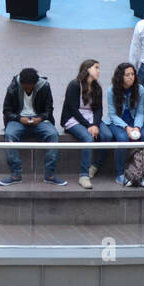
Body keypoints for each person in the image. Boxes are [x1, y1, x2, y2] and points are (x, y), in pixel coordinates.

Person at [0, 67, 65, 186]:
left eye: (31, 87)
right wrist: (19, 118)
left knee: (53, 135)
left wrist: (40, 118)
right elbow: (7, 111)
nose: (28, 89)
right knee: (10, 135)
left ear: (35, 84)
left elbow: (49, 109)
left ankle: (49, 174)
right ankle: (16, 174)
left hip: (39, 120)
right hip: (18, 119)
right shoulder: (14, 86)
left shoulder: (44, 86)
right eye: (25, 87)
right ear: (21, 84)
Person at [61, 60, 106, 189]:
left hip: (91, 119)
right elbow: (73, 109)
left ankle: (95, 166)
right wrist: (88, 126)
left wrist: (96, 124)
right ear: (87, 69)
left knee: (107, 136)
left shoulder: (97, 87)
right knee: (88, 138)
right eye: (96, 68)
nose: (99, 71)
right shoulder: (74, 85)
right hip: (73, 118)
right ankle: (84, 175)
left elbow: (99, 109)